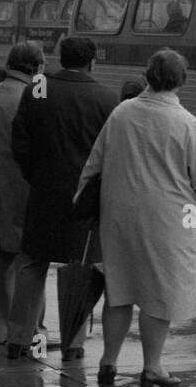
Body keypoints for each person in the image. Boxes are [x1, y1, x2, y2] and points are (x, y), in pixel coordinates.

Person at [76, 48, 196, 387]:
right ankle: (152, 366)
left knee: (119, 290)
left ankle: (108, 362)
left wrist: (84, 205)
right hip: (169, 219)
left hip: (119, 215)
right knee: (159, 293)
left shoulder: (122, 113)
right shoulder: (186, 123)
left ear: (147, 75)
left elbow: (93, 164)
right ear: (181, 80)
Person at [7, 35, 119, 363]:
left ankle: (18, 339)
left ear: (58, 57)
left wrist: (37, 176)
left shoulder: (37, 91)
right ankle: (74, 344)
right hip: (85, 201)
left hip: (43, 194)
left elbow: (20, 144)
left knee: (31, 264)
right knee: (81, 270)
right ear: (92, 61)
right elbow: (111, 154)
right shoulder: (106, 98)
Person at [0, 41, 45, 351]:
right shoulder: (30, 96)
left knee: (1, 258)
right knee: (29, 262)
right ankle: (31, 330)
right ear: (34, 67)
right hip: (24, 188)